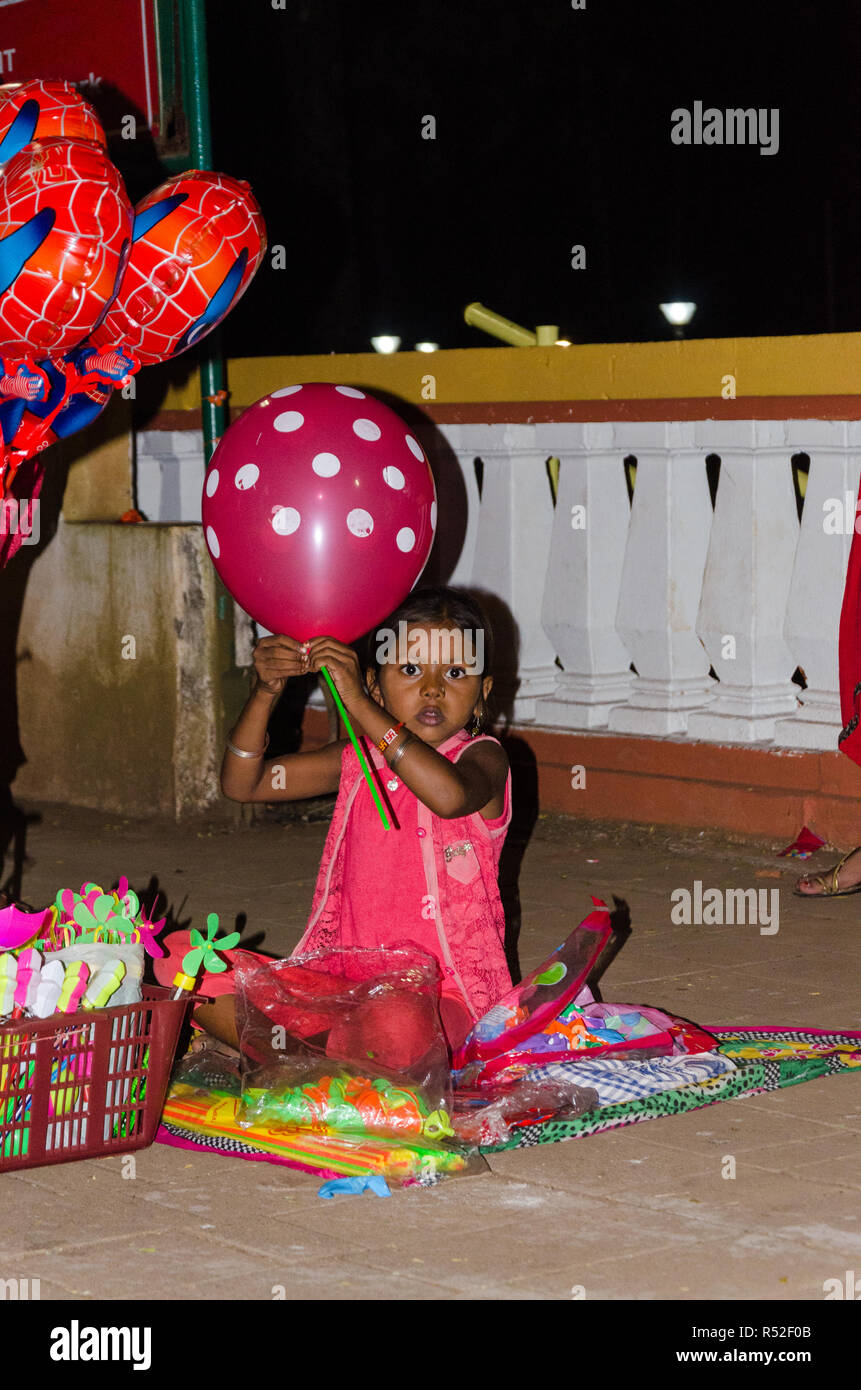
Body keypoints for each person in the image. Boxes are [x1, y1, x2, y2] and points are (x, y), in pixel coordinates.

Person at [189, 586, 513, 1052]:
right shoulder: (358, 761)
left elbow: (448, 796)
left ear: (482, 691)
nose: (433, 688)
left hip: (442, 996)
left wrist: (360, 705)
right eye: (410, 669)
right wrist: (266, 690)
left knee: (398, 1024)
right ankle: (324, 1055)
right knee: (192, 966)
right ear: (377, 681)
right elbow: (246, 784)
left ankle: (307, 1056)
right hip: (341, 985)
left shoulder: (481, 759)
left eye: (456, 672)